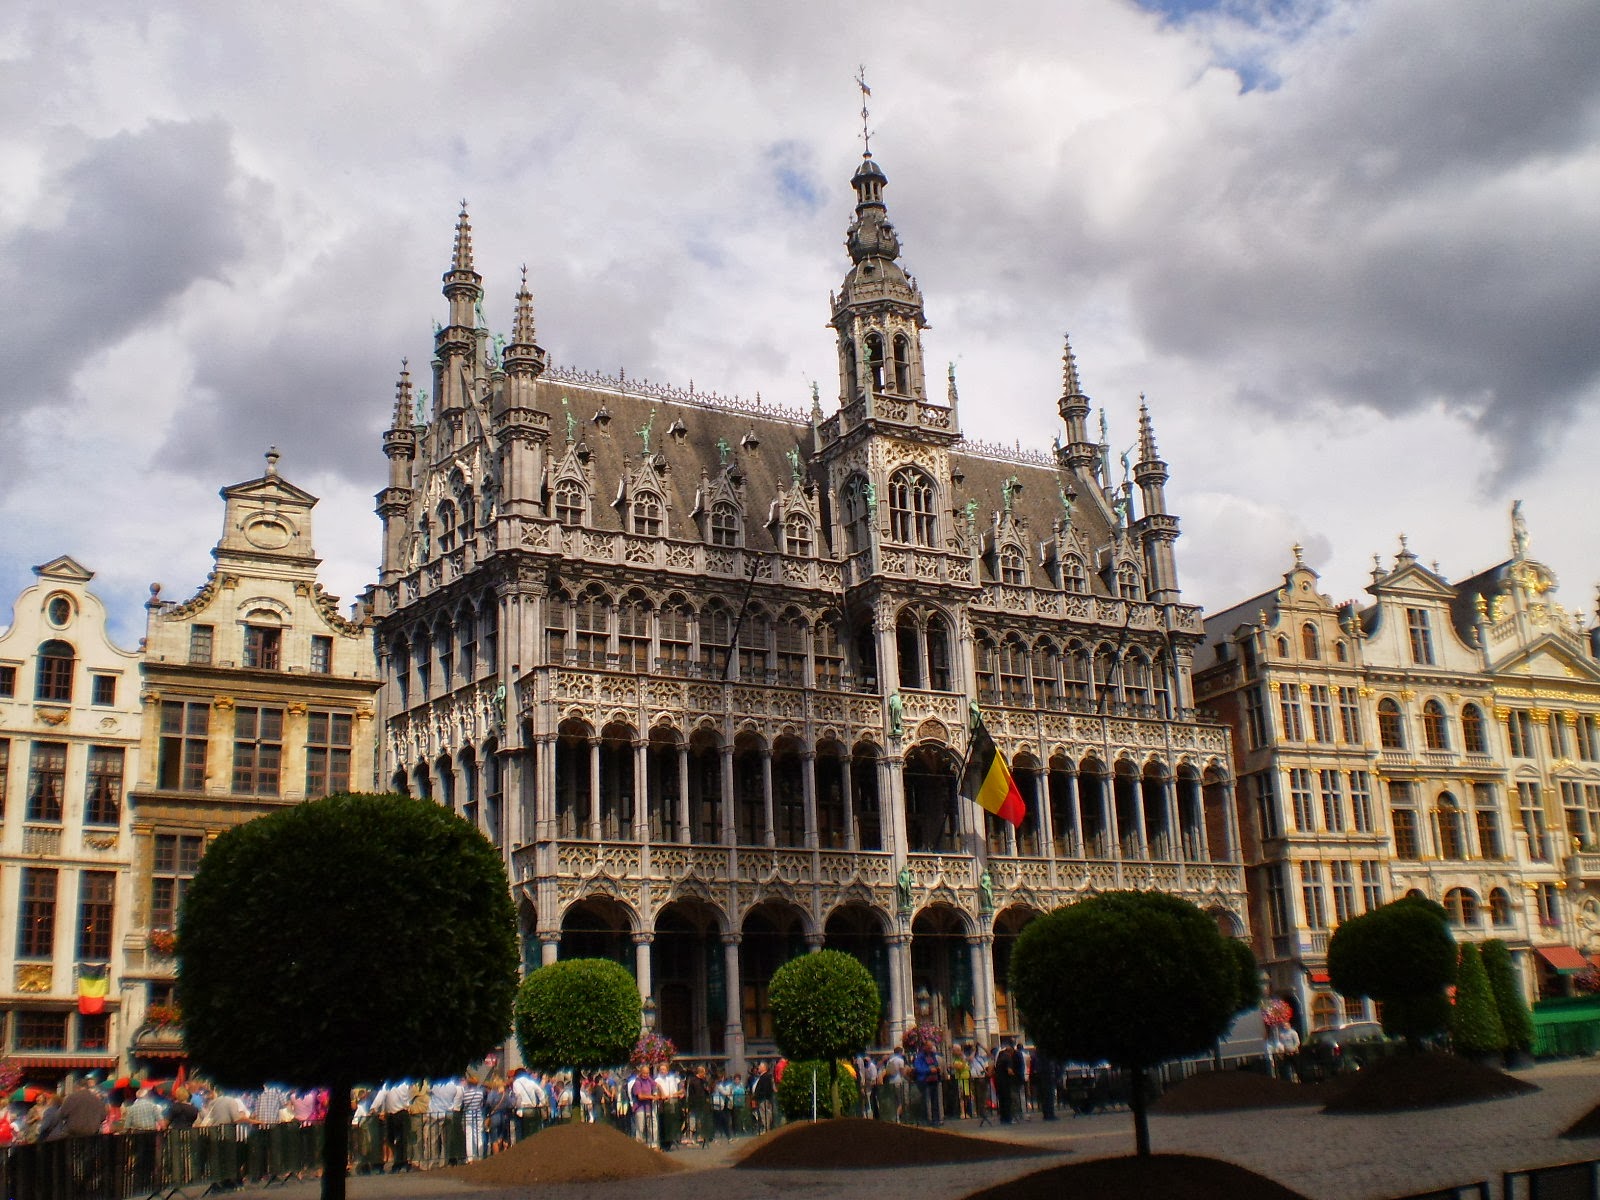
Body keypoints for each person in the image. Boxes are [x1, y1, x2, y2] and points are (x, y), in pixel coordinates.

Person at [912, 1041, 943, 1126]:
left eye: (931, 1047)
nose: (930, 1049)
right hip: (924, 1081)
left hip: (934, 1080)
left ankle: (935, 1119)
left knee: (935, 1101)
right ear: (924, 1047)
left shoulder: (933, 1055)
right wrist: (929, 1070)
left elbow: (935, 1064)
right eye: (929, 1047)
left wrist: (937, 1069)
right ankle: (925, 1119)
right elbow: (918, 1068)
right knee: (925, 1101)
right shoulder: (920, 1057)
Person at [628, 1064, 657, 1148]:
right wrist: (651, 1097)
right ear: (640, 1073)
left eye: (647, 1073)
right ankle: (639, 1146)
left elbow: (656, 1085)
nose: (646, 1075)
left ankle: (653, 1144)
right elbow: (640, 1096)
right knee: (640, 1128)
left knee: (652, 1126)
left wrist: (659, 1093)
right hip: (640, 1107)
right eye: (644, 1073)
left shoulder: (649, 1080)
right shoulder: (637, 1082)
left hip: (649, 1107)